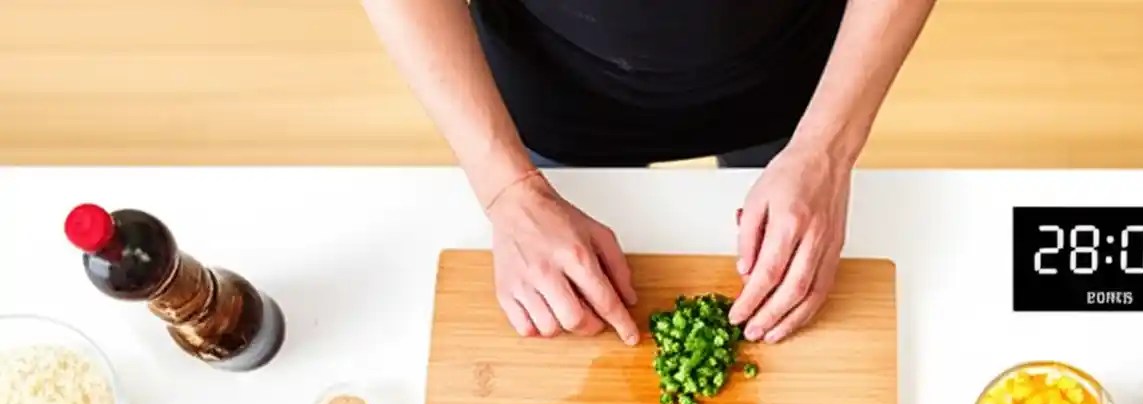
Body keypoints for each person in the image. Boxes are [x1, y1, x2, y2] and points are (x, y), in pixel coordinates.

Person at [364, 0, 935, 344]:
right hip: (553, 82)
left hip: (789, 77)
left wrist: (827, 149)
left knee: (784, 246)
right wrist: (507, 190)